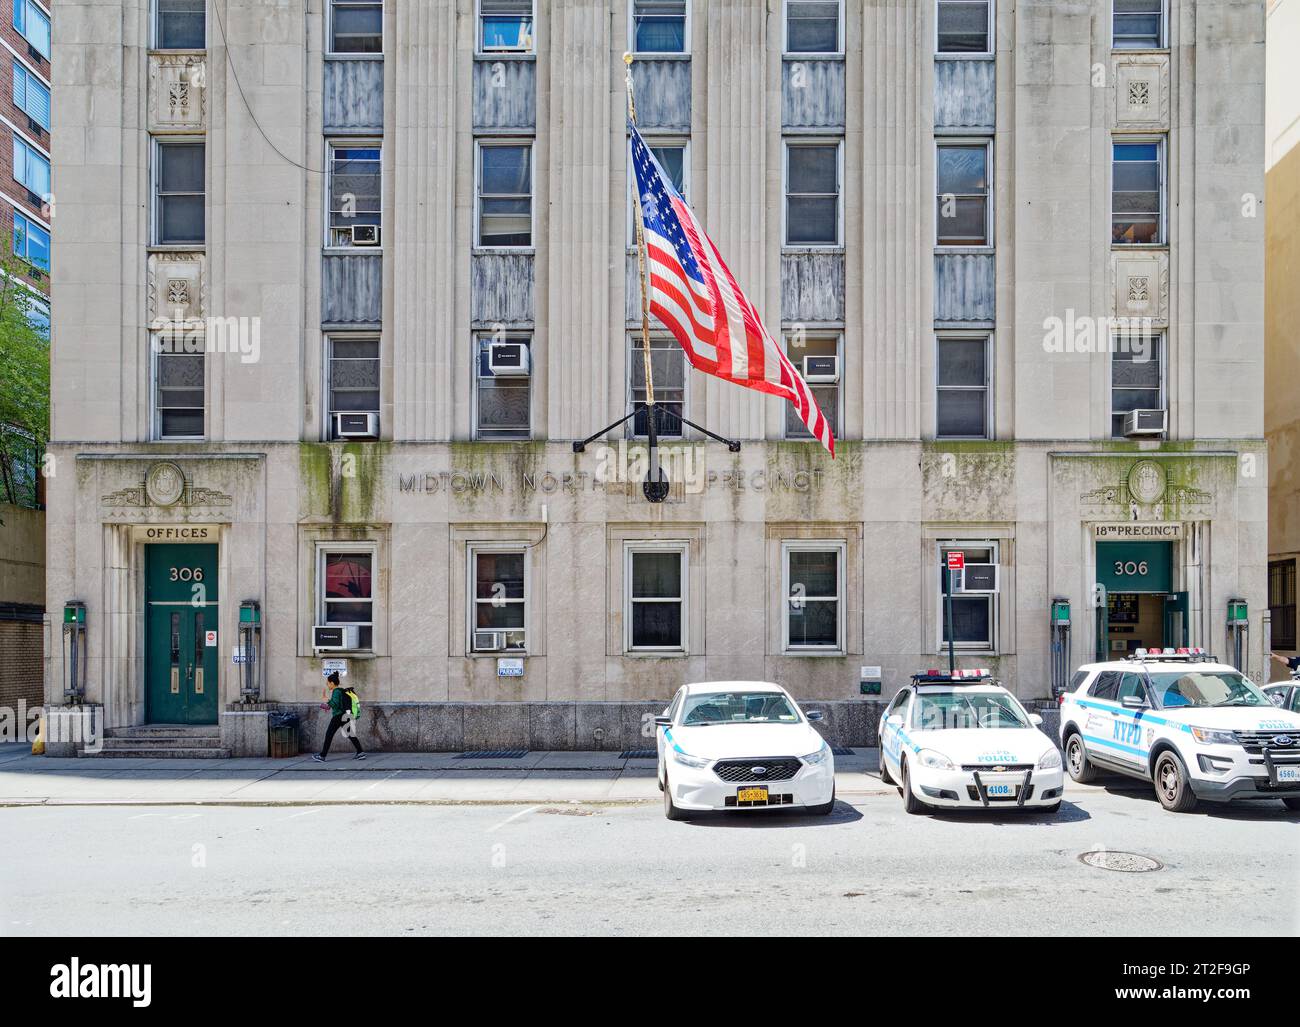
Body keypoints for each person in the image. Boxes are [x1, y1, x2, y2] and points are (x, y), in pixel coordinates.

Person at [313, 671, 365, 762]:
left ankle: (322, 756)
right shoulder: (340, 690)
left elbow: (335, 705)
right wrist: (327, 706)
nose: (327, 685)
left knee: (329, 734)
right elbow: (337, 704)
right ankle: (360, 752)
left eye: (328, 683)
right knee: (349, 733)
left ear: (332, 683)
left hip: (338, 716)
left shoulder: (336, 692)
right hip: (344, 715)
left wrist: (327, 700)